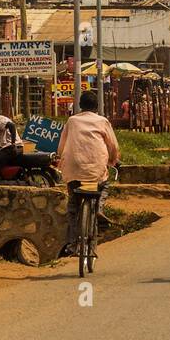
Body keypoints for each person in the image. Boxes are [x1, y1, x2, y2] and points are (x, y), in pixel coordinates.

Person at [57, 89, 121, 257]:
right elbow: (113, 146)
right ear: (97, 106)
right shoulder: (102, 121)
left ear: (79, 106)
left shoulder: (72, 121)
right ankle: (99, 208)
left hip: (73, 169)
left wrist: (59, 159)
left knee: (73, 207)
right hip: (96, 169)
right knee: (104, 186)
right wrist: (113, 161)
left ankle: (73, 244)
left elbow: (61, 147)